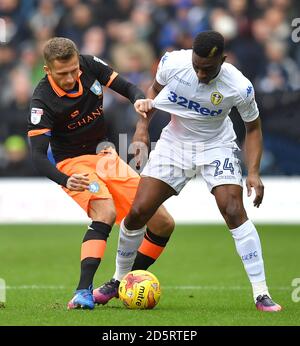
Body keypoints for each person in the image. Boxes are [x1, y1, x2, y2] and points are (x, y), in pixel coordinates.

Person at [101, 31, 282, 312]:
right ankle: (118, 279)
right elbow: (151, 94)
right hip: (175, 143)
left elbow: (253, 127)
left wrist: (254, 172)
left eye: (207, 69)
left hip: (216, 146)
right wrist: (140, 130)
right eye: (196, 66)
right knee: (138, 211)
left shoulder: (239, 86)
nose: (200, 73)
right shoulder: (173, 63)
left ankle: (261, 293)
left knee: (233, 209)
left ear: (223, 60)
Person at [28, 37, 174, 310]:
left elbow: (128, 87)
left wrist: (139, 100)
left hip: (106, 155)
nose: (71, 77)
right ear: (48, 71)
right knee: (104, 212)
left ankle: (120, 284)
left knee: (163, 222)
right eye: (63, 74)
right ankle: (83, 291)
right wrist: (65, 179)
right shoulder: (42, 101)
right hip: (73, 165)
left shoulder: (88, 63)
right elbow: (36, 156)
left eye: (74, 70)